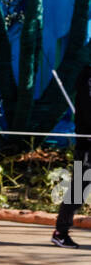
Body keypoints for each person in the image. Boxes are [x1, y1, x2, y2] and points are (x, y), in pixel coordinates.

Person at [52, 59, 91, 246]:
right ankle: (60, 232)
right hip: (87, 144)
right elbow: (86, 110)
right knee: (79, 190)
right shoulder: (87, 78)